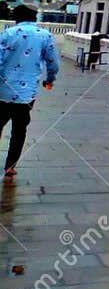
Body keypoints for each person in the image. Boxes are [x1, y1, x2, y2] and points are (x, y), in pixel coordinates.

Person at [0, 21, 58, 176]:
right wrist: (50, 80)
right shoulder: (45, 35)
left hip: (3, 91)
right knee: (19, 130)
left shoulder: (8, 33)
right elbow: (53, 64)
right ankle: (10, 166)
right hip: (26, 94)